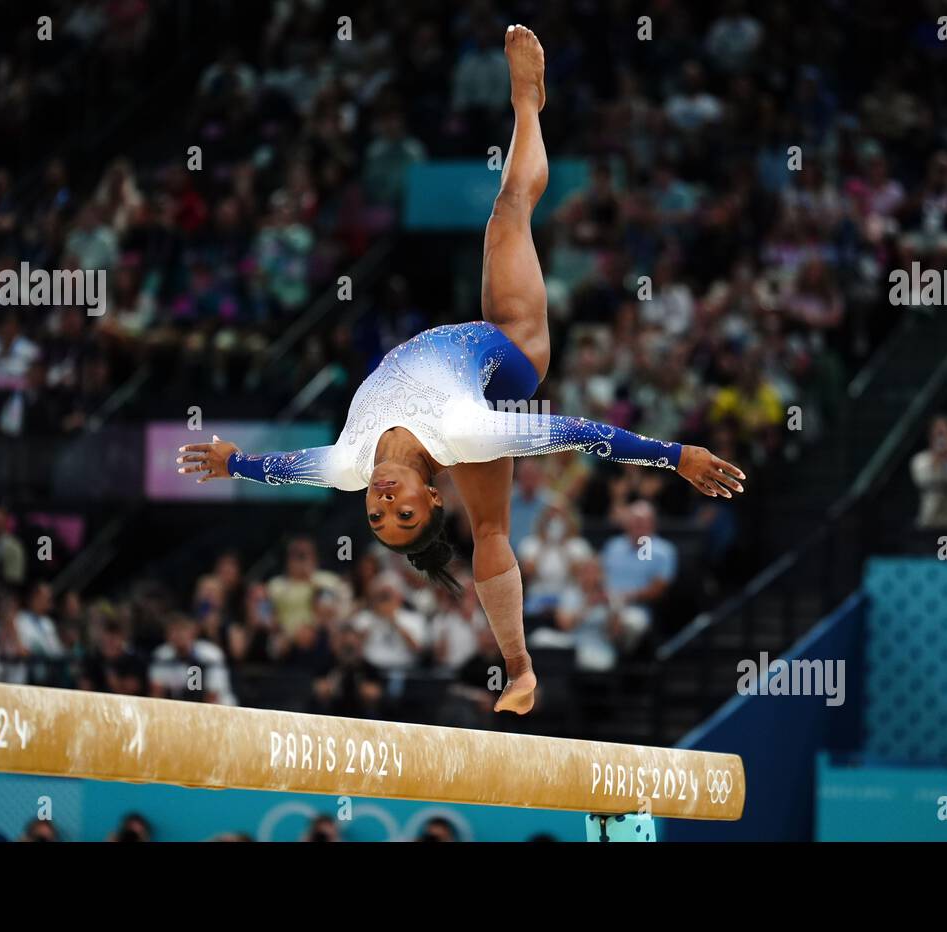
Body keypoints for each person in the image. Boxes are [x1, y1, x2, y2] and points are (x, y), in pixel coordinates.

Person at [177, 27, 746, 716]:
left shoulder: (348, 463)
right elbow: (579, 432)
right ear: (431, 499)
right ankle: (529, 105)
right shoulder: (469, 433)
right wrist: (673, 454)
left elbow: (276, 468)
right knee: (508, 216)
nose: (385, 500)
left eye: (379, 514)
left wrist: (232, 462)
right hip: (510, 354)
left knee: (493, 522)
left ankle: (519, 671)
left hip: (467, 358)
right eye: (404, 512)